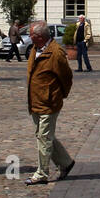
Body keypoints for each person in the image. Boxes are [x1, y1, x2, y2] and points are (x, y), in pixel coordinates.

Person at [24, 20, 75, 185]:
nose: (28, 36)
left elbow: (66, 77)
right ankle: (66, 163)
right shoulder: (35, 49)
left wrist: (59, 95)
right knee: (44, 136)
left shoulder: (55, 53)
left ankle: (41, 173)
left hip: (49, 102)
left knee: (44, 138)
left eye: (31, 34)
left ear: (39, 36)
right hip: (35, 101)